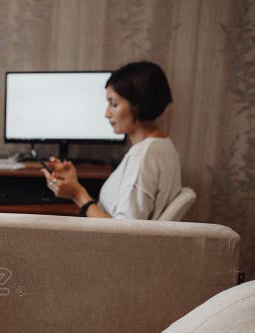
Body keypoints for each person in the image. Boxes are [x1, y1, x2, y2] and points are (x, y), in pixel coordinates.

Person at [43, 61, 182, 219]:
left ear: (137, 105)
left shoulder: (144, 156)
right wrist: (76, 186)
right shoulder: (164, 146)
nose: (107, 113)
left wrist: (77, 195)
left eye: (113, 104)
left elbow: (122, 235)